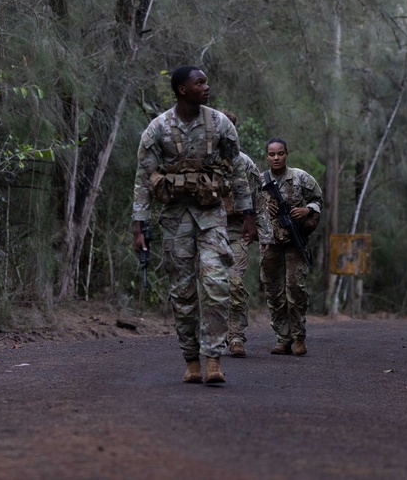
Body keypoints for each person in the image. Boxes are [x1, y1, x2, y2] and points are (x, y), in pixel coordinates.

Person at [132, 66, 257, 385]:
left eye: (206, 81)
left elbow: (238, 170)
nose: (206, 86)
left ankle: (213, 359)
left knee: (216, 285)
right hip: (175, 221)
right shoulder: (158, 128)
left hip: (212, 217)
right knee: (183, 294)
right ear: (181, 90)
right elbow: (144, 178)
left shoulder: (220, 124)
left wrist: (247, 213)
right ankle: (191, 360)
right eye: (199, 82)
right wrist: (139, 224)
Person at [257, 137, 323, 357]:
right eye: (272, 154)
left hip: (295, 243)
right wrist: (264, 205)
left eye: (280, 153)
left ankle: (298, 338)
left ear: (287, 154)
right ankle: (282, 339)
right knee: (274, 292)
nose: (276, 158)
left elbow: (318, 200)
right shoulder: (259, 181)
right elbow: (247, 205)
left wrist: (307, 210)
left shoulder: (301, 177)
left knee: (295, 289)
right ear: (267, 156)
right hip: (271, 242)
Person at [219, 110, 261, 358]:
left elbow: (258, 202)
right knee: (210, 286)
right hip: (207, 232)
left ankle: (235, 337)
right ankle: (211, 335)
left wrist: (263, 236)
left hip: (236, 232)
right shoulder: (203, 160)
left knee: (235, 283)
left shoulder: (244, 163)